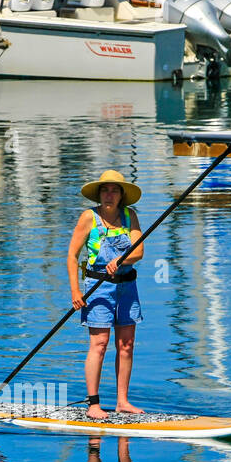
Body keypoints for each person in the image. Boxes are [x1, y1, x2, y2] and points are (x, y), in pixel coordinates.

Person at [68, 169, 145, 420]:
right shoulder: (88, 218)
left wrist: (122, 258)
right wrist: (75, 290)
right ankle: (93, 404)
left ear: (122, 195)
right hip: (98, 286)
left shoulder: (129, 216)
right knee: (99, 345)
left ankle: (122, 401)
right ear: (99, 194)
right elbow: (72, 256)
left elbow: (139, 251)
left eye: (114, 190)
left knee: (126, 345)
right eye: (105, 190)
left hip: (127, 287)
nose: (109, 194)